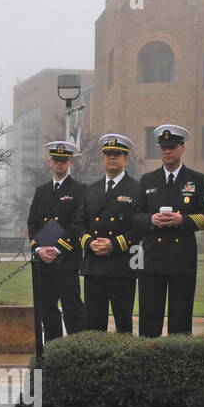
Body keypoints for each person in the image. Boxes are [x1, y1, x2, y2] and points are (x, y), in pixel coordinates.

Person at [133, 124, 204, 336]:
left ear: (182, 148)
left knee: (180, 319)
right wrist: (152, 219)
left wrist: (182, 219)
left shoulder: (197, 179)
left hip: (182, 258)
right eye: (163, 147)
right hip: (152, 258)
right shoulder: (147, 180)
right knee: (149, 320)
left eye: (171, 146)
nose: (167, 151)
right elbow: (135, 217)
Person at [77, 133, 140, 333]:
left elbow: (139, 228)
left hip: (122, 266)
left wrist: (114, 244)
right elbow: (79, 224)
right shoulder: (91, 190)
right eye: (108, 154)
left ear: (126, 158)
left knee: (123, 324)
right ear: (103, 158)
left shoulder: (136, 189)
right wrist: (89, 243)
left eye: (117, 154)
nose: (112, 158)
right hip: (94, 266)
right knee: (93, 324)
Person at [27, 140, 86, 346]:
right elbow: (32, 222)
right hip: (43, 262)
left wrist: (58, 248)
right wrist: (38, 248)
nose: (59, 165)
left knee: (72, 310)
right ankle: (53, 351)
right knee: (48, 311)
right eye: (56, 161)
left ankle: (75, 352)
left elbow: (77, 223)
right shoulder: (41, 191)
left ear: (70, 163)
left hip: (66, 261)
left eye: (63, 161)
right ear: (49, 163)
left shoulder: (79, 190)